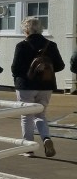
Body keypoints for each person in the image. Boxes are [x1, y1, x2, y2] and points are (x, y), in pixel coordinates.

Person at [11, 17, 65, 157]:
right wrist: (46, 69)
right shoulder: (51, 45)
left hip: (26, 86)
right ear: (40, 29)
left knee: (26, 116)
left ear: (26, 30)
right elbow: (60, 66)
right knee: (40, 114)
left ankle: (28, 148)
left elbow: (15, 68)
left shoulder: (21, 46)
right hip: (46, 85)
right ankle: (46, 138)